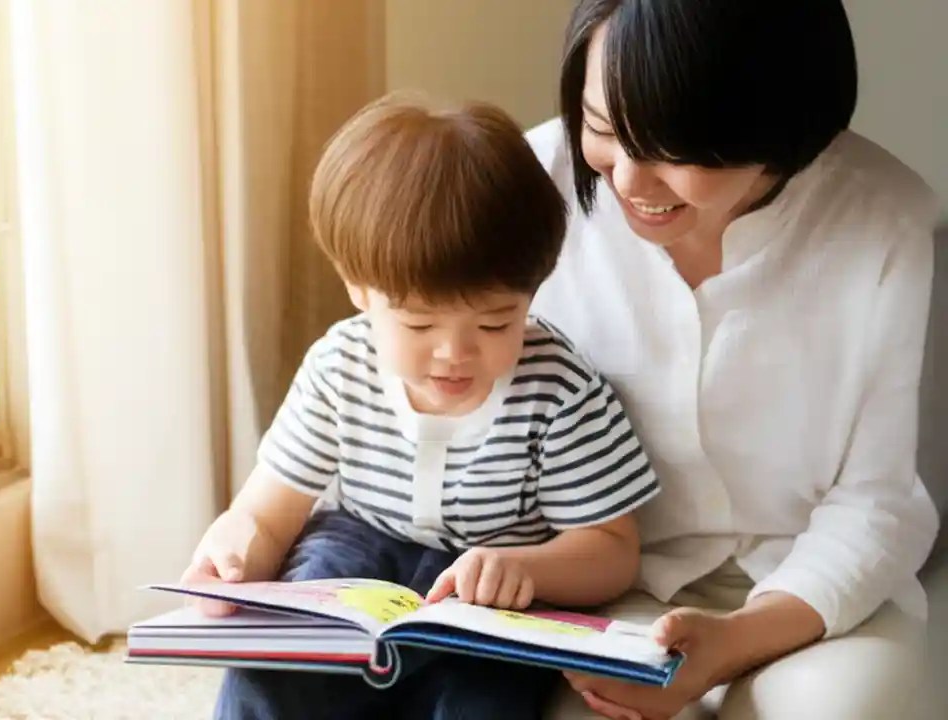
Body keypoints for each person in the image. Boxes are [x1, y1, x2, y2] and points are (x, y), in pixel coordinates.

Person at [180, 92, 662, 720]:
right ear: (359, 289)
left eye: (495, 324)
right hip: (357, 558)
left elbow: (612, 549)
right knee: (274, 672)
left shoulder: (560, 391)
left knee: (485, 700)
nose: (454, 355)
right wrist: (232, 554)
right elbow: (268, 515)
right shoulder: (339, 365)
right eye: (416, 326)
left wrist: (526, 569)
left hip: (486, 604)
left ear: (533, 289)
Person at [525, 1, 941, 718]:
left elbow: (880, 500)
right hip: (596, 581)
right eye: (600, 127)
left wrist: (737, 639)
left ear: (779, 128)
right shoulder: (531, 184)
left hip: (808, 588)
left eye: (673, 149)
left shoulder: (883, 218)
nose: (627, 178)